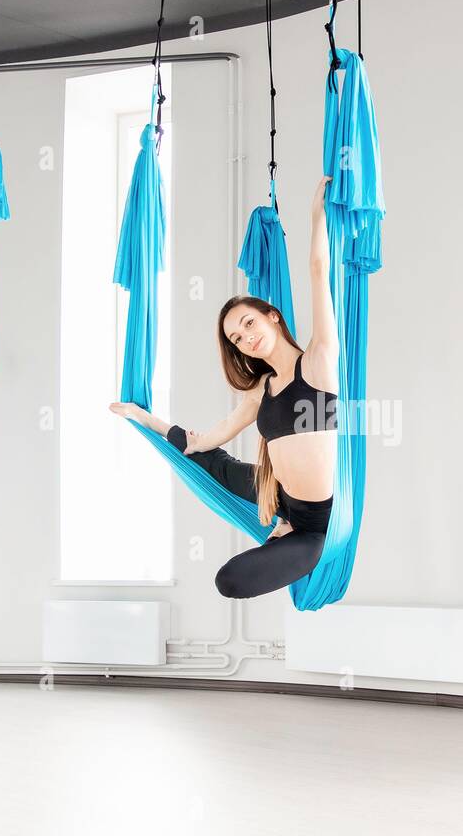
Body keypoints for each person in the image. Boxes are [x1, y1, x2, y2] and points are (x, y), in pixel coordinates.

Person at [110, 176, 338, 599]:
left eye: (248, 323)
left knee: (229, 580)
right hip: (278, 497)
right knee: (208, 461)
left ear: (272, 315)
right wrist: (144, 418)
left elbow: (318, 270)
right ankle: (280, 523)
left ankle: (293, 541)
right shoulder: (261, 390)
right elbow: (208, 441)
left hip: (320, 525)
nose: (245, 338)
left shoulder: (319, 362)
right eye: (236, 337)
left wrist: (318, 216)